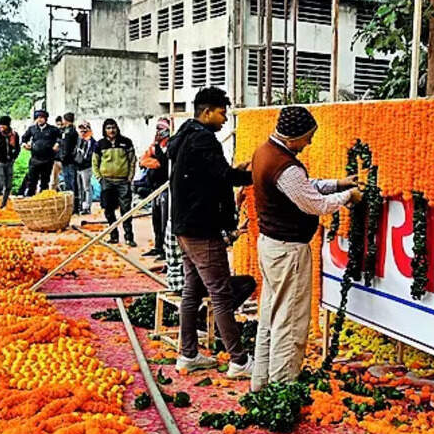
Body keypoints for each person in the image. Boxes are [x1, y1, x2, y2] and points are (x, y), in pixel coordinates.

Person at [250, 106, 361, 391]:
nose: (309, 143)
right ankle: (283, 389)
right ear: (292, 138)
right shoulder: (284, 165)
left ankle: (261, 384)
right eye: (307, 138)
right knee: (290, 320)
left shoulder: (266, 152)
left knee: (271, 316)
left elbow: (302, 187)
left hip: (272, 246)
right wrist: (349, 195)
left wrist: (337, 183)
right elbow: (315, 204)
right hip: (287, 252)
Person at [168, 87, 254, 378]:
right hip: (201, 228)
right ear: (206, 112)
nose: (224, 119)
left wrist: (233, 171)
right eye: (221, 113)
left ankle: (188, 354)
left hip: (184, 225)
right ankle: (239, 361)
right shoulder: (205, 139)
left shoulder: (184, 136)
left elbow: (211, 174)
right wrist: (254, 175)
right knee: (221, 293)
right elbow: (223, 177)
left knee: (191, 291)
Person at [92, 118, 137, 246]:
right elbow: (95, 162)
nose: (111, 130)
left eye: (113, 128)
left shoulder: (126, 142)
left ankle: (129, 237)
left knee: (126, 210)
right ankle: (113, 235)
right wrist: (99, 178)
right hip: (107, 181)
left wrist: (130, 177)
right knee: (108, 209)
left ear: (117, 128)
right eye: (108, 128)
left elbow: (132, 161)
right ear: (104, 130)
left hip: (123, 181)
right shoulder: (99, 144)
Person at [139, 118, 171, 259]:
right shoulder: (153, 146)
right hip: (154, 188)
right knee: (156, 219)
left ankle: (165, 249)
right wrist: (154, 162)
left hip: (165, 188)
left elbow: (163, 164)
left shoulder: (170, 146)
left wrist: (156, 158)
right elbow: (143, 160)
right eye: (157, 129)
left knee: (165, 220)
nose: (158, 132)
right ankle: (158, 246)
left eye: (161, 129)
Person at [20, 109, 61, 196]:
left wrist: (57, 144)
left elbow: (60, 138)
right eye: (38, 117)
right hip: (35, 159)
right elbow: (24, 138)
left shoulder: (53, 129)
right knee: (32, 181)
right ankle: (30, 198)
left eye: (42, 118)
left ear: (46, 119)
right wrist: (24, 144)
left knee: (45, 181)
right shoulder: (32, 129)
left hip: (47, 159)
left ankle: (42, 199)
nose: (40, 119)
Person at [59, 112, 81, 213]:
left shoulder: (70, 132)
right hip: (68, 161)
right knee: (70, 184)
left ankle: (73, 207)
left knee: (71, 184)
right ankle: (73, 206)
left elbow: (67, 148)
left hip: (69, 161)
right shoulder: (71, 131)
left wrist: (62, 157)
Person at [74, 120, 97, 214]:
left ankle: (87, 206)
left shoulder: (92, 142)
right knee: (80, 188)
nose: (83, 131)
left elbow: (91, 154)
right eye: (81, 129)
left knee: (87, 187)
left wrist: (85, 160)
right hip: (77, 166)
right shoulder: (78, 140)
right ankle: (80, 205)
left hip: (86, 167)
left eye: (84, 128)